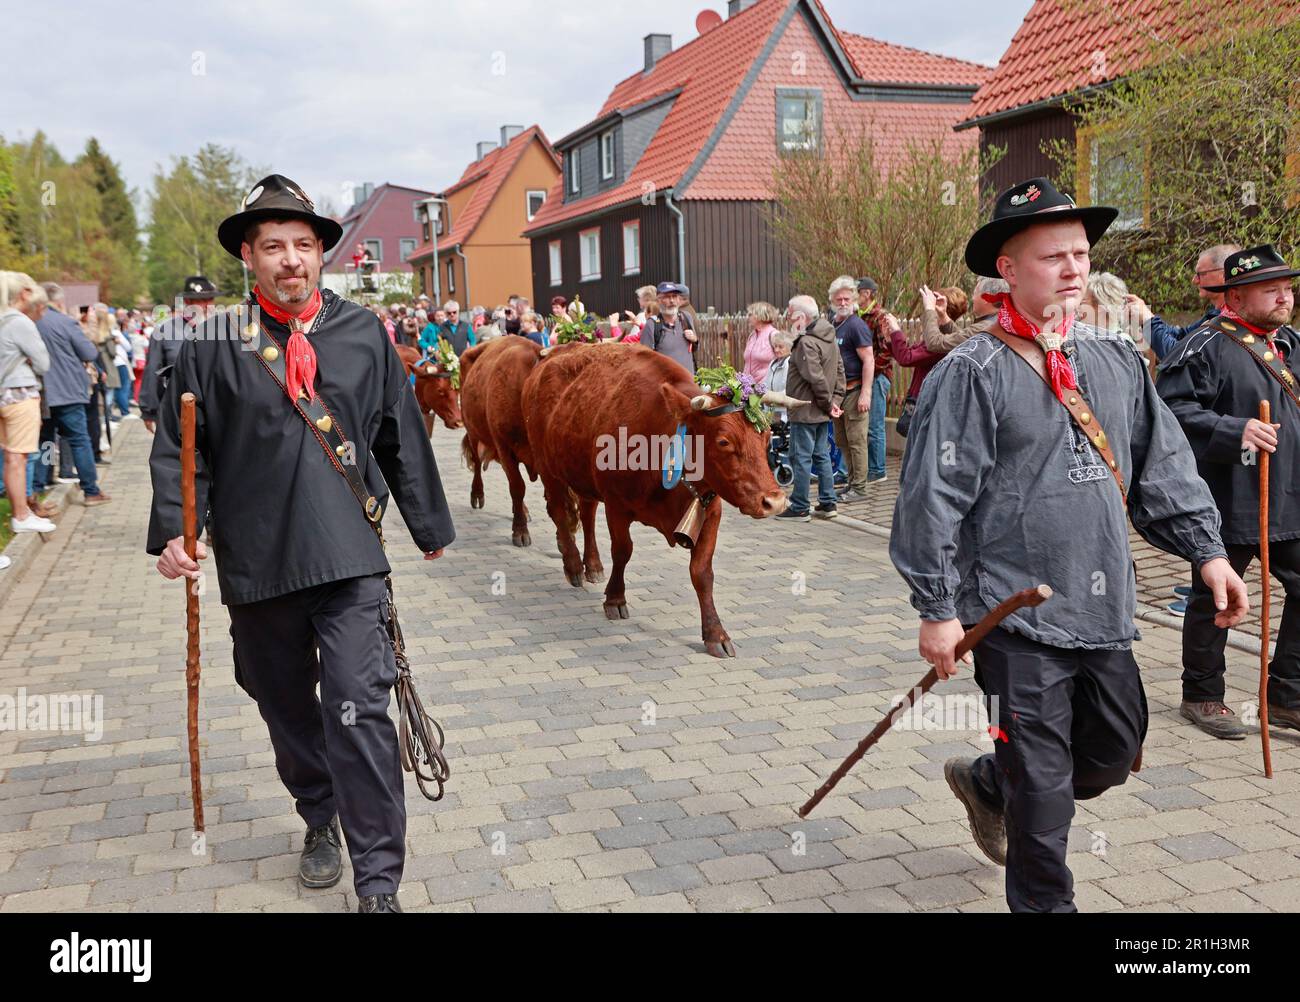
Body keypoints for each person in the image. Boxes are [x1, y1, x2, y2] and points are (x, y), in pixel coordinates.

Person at [891, 176, 1248, 913]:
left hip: (1106, 604)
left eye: (1081, 253)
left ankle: (992, 782)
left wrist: (1207, 552)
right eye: (1054, 256)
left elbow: (1163, 463)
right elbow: (933, 497)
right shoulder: (972, 372)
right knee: (1046, 791)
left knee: (1113, 754)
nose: (1074, 269)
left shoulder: (1115, 359)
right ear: (1010, 271)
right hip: (1011, 615)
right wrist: (936, 608)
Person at [147, 174, 455, 914]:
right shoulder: (208, 345)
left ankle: (378, 882)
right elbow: (183, 449)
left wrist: (427, 524)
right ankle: (319, 814)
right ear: (248, 258)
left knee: (359, 705)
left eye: (304, 245)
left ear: (321, 255)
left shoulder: (362, 333)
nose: (292, 259)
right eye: (274, 246)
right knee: (282, 704)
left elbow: (396, 431)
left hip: (350, 557)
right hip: (256, 562)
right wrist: (177, 533)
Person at [1157, 244, 1300, 740]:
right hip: (1230, 497)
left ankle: (1285, 698)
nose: (1286, 296)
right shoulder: (1203, 345)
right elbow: (1166, 412)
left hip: (1290, 498)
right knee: (1215, 598)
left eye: (1288, 288)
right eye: (1272, 289)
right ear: (1235, 297)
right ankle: (1202, 694)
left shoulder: (1291, 344)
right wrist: (1232, 429)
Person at [34, 283, 110, 507]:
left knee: (45, 440)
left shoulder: (31, 322)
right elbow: (88, 352)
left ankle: (40, 482)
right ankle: (90, 489)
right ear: (58, 300)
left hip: (43, 392)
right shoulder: (65, 322)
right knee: (79, 441)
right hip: (68, 391)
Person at [777, 295, 845, 523]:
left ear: (802, 316)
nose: (788, 316)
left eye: (790, 312)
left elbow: (816, 379)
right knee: (822, 455)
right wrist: (835, 402)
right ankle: (827, 502)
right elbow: (839, 370)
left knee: (801, 457)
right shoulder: (829, 336)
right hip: (821, 410)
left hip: (805, 410)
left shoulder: (807, 342)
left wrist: (829, 403)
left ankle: (800, 506)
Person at [0, 272, 55, 533]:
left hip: (2, 394)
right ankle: (21, 514)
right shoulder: (20, 322)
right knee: (18, 458)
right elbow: (43, 363)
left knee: (10, 457)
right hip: (20, 394)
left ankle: (19, 512)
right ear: (23, 293)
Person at [1131, 244, 1242, 360]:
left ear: (1223, 275)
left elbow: (1178, 357)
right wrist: (1145, 318)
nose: (1194, 280)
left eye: (1201, 274)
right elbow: (1182, 335)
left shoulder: (1229, 320)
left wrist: (1148, 320)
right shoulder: (1216, 314)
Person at [139, 277, 220, 433]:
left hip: (218, 410)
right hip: (179, 411)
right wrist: (149, 410)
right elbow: (152, 371)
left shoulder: (225, 329)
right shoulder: (164, 331)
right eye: (200, 301)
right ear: (188, 302)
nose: (205, 305)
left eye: (209, 299)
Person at [827, 276, 874, 498]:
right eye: (839, 299)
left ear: (854, 299)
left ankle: (860, 488)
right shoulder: (833, 324)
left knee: (856, 441)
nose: (843, 303)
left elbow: (869, 360)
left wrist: (866, 393)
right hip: (837, 394)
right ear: (832, 300)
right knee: (842, 440)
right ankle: (851, 481)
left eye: (847, 298)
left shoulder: (857, 326)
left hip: (854, 392)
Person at [857, 277, 895, 484]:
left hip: (879, 377)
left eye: (856, 291)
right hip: (863, 378)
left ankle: (878, 470)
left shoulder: (880, 316)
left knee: (875, 425)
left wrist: (869, 372)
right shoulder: (857, 315)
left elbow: (888, 350)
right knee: (865, 426)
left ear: (867, 294)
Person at [645, 282, 697, 375]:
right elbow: (644, 359)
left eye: (674, 296)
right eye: (667, 297)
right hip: (666, 386)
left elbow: (695, 347)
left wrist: (694, 339)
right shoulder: (652, 325)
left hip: (689, 383)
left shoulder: (686, 318)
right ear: (658, 301)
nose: (672, 301)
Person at [742, 302, 780, 384]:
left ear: (759, 316)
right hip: (748, 389)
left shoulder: (774, 335)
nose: (748, 317)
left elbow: (783, 363)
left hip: (766, 389)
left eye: (750, 314)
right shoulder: (752, 336)